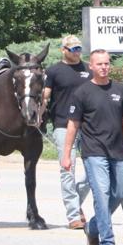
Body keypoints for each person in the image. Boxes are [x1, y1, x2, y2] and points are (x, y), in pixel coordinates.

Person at [60, 49, 123, 245]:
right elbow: (72, 125)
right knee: (101, 196)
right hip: (93, 151)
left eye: (106, 63)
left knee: (119, 193)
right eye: (100, 64)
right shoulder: (82, 93)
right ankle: (107, 242)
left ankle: (93, 227)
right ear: (91, 67)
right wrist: (66, 155)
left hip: (117, 151)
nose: (104, 67)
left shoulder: (120, 90)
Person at [43, 35, 91, 230]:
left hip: (88, 126)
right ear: (64, 50)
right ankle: (73, 215)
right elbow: (45, 96)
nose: (77, 52)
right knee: (67, 170)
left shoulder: (88, 69)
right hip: (63, 124)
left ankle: (75, 201)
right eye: (72, 49)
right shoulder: (54, 71)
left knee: (93, 171)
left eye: (79, 48)